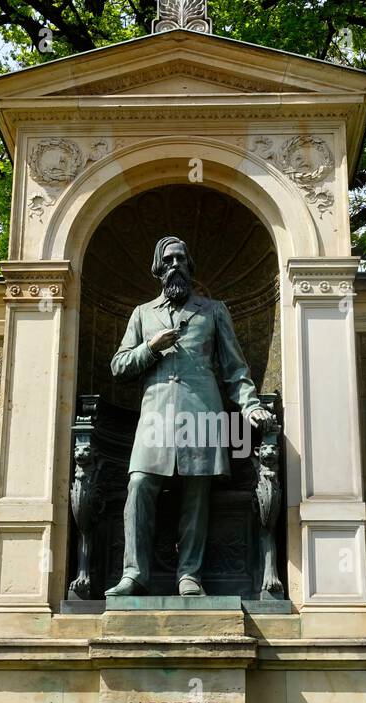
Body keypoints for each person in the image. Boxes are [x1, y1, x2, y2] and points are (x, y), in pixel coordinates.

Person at [103, 236, 273, 597]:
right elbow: (119, 367)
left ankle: (189, 575)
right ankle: (134, 573)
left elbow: (234, 369)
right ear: (158, 269)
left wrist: (251, 405)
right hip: (154, 420)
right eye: (168, 260)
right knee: (138, 485)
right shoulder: (142, 314)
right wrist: (151, 347)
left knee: (197, 493)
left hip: (203, 415)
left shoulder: (213, 311)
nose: (175, 265)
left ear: (189, 266)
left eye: (181, 258)